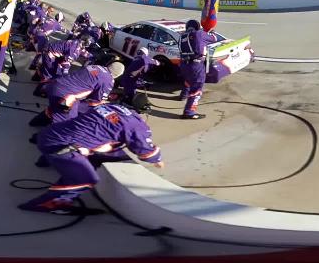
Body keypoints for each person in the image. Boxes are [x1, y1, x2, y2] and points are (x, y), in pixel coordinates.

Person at [20, 103, 164, 215]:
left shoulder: (111, 107)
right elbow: (146, 151)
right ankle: (50, 204)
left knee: (88, 151)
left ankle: (44, 162)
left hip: (48, 134)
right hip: (61, 148)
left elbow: (92, 127)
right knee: (87, 178)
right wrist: (157, 160)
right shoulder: (137, 126)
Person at [30, 62, 123, 128]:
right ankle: (41, 140)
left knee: (56, 107)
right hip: (65, 94)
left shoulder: (95, 66)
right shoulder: (108, 80)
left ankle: (35, 122)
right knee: (66, 123)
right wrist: (105, 102)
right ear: (117, 74)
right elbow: (95, 101)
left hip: (55, 84)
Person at [179, 19, 214, 120]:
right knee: (197, 88)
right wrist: (210, 31)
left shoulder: (182, 35)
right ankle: (189, 112)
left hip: (184, 64)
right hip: (196, 65)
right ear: (197, 27)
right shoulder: (199, 33)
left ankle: (183, 95)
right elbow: (213, 39)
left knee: (188, 81)